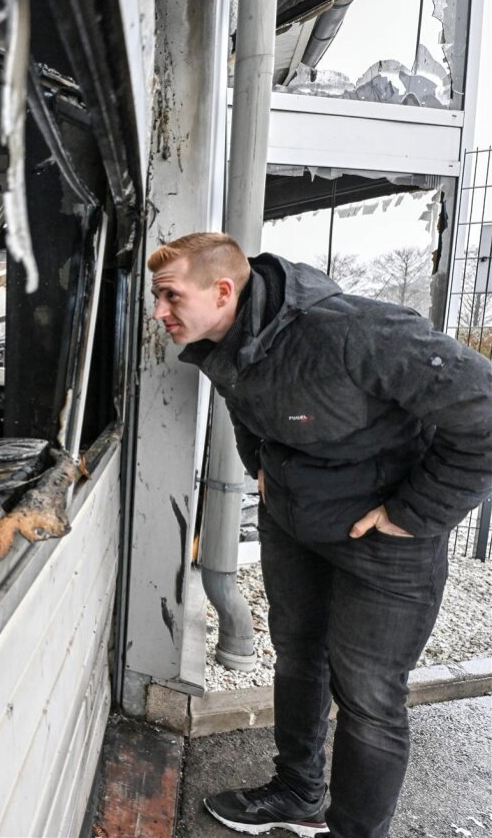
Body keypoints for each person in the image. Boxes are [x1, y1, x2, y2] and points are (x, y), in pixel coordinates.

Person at [148, 232, 492, 838]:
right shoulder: (222, 339)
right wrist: (261, 466)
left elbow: (486, 410)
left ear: (223, 290)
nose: (159, 312)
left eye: (170, 296)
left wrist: (412, 513)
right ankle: (298, 793)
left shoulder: (355, 332)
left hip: (387, 541)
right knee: (300, 659)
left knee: (369, 696)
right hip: (295, 523)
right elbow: (244, 406)